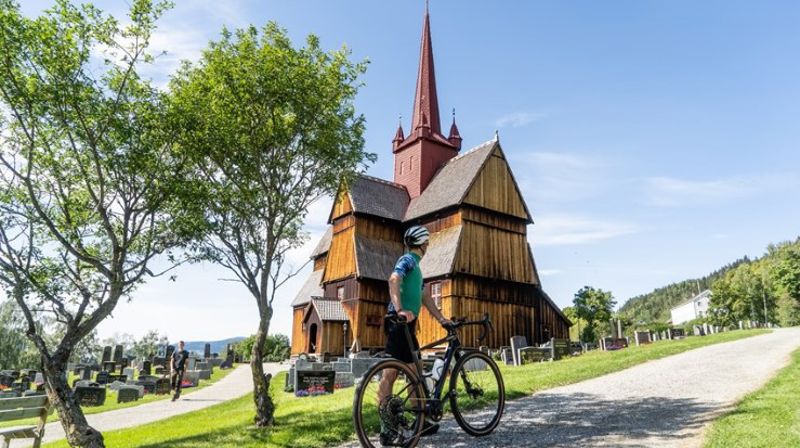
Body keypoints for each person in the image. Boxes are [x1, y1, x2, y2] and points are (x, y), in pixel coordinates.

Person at [378, 225, 452, 445]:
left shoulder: (416, 268)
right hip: (398, 322)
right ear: (422, 244)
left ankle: (420, 420)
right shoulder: (408, 260)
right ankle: (386, 428)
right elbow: (393, 280)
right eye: (427, 242)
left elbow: (424, 296)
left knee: (415, 371)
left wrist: (441, 319)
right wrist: (400, 309)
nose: (428, 246)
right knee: (390, 375)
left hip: (407, 326)